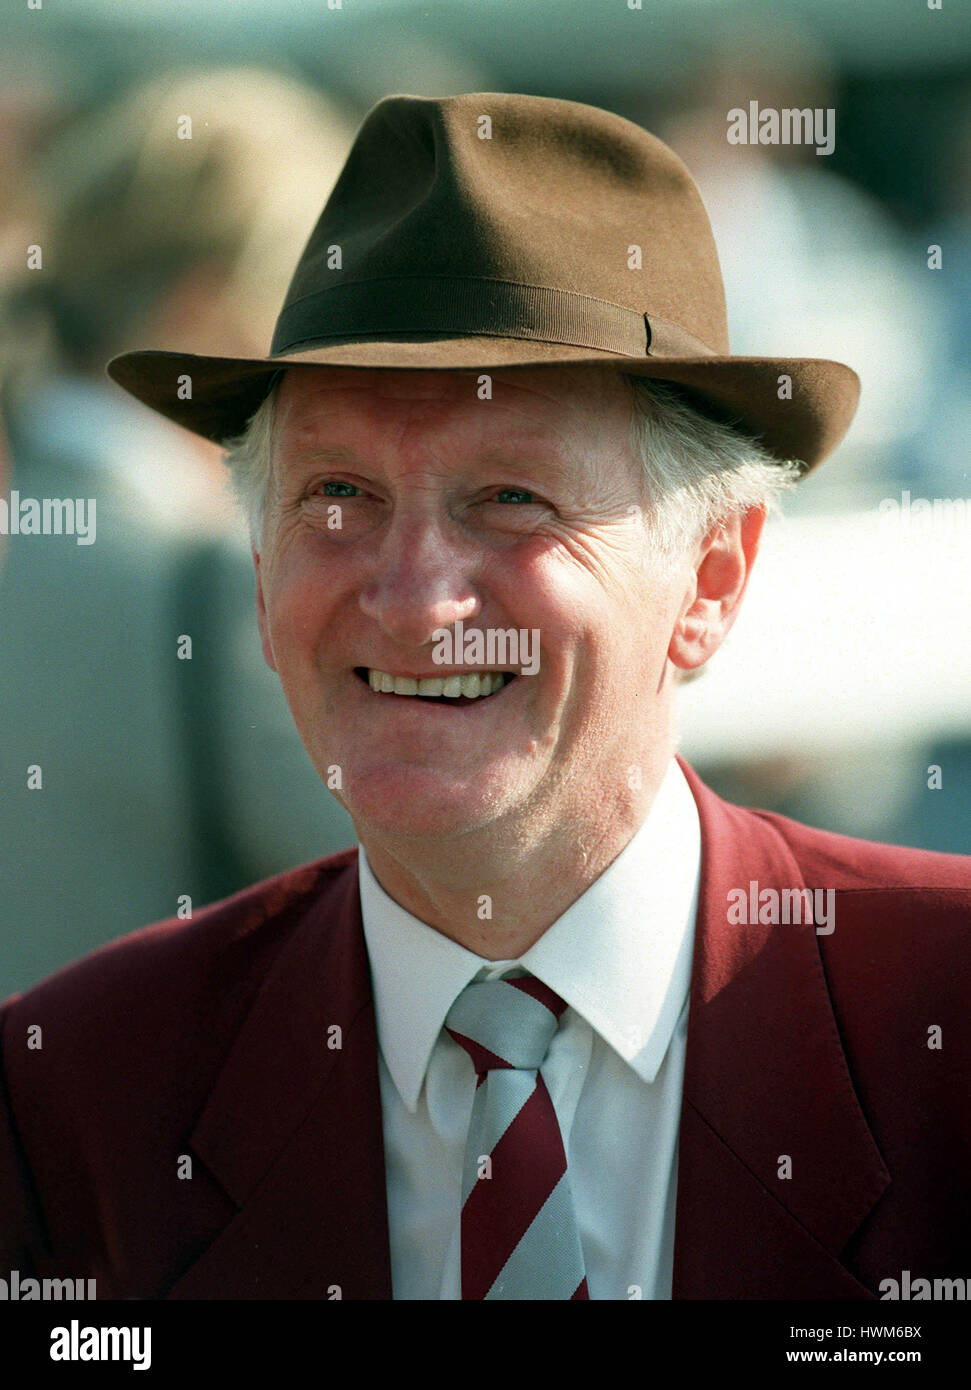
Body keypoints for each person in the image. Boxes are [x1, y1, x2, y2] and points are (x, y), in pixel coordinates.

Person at [1, 91, 968, 1302]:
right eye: (337, 494)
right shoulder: (78, 1098)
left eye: (509, 497)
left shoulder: (939, 1016)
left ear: (710, 578)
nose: (410, 599)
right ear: (258, 571)